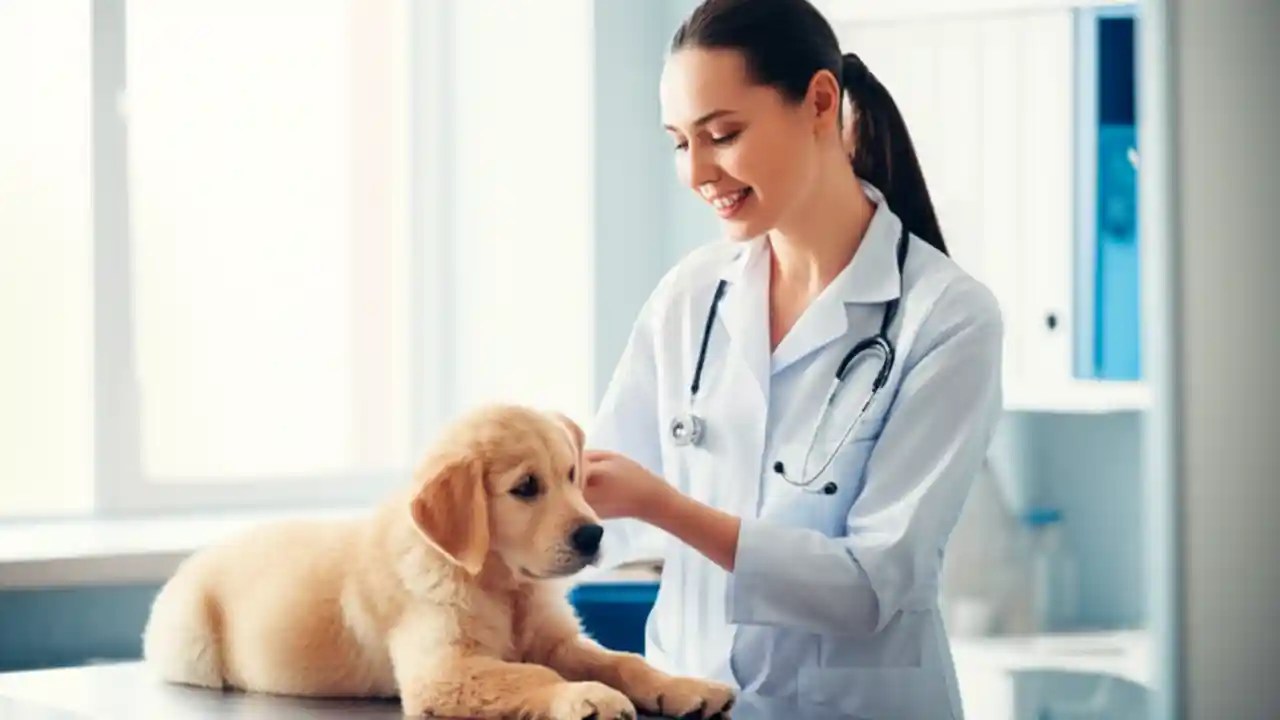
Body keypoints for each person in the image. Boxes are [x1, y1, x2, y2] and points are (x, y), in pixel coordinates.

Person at [582, 0, 1003, 717]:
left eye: (722, 134)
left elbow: (873, 584)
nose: (697, 172)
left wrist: (666, 505)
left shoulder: (947, 317)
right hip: (689, 699)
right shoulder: (691, 298)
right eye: (680, 143)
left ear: (818, 101)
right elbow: (601, 509)